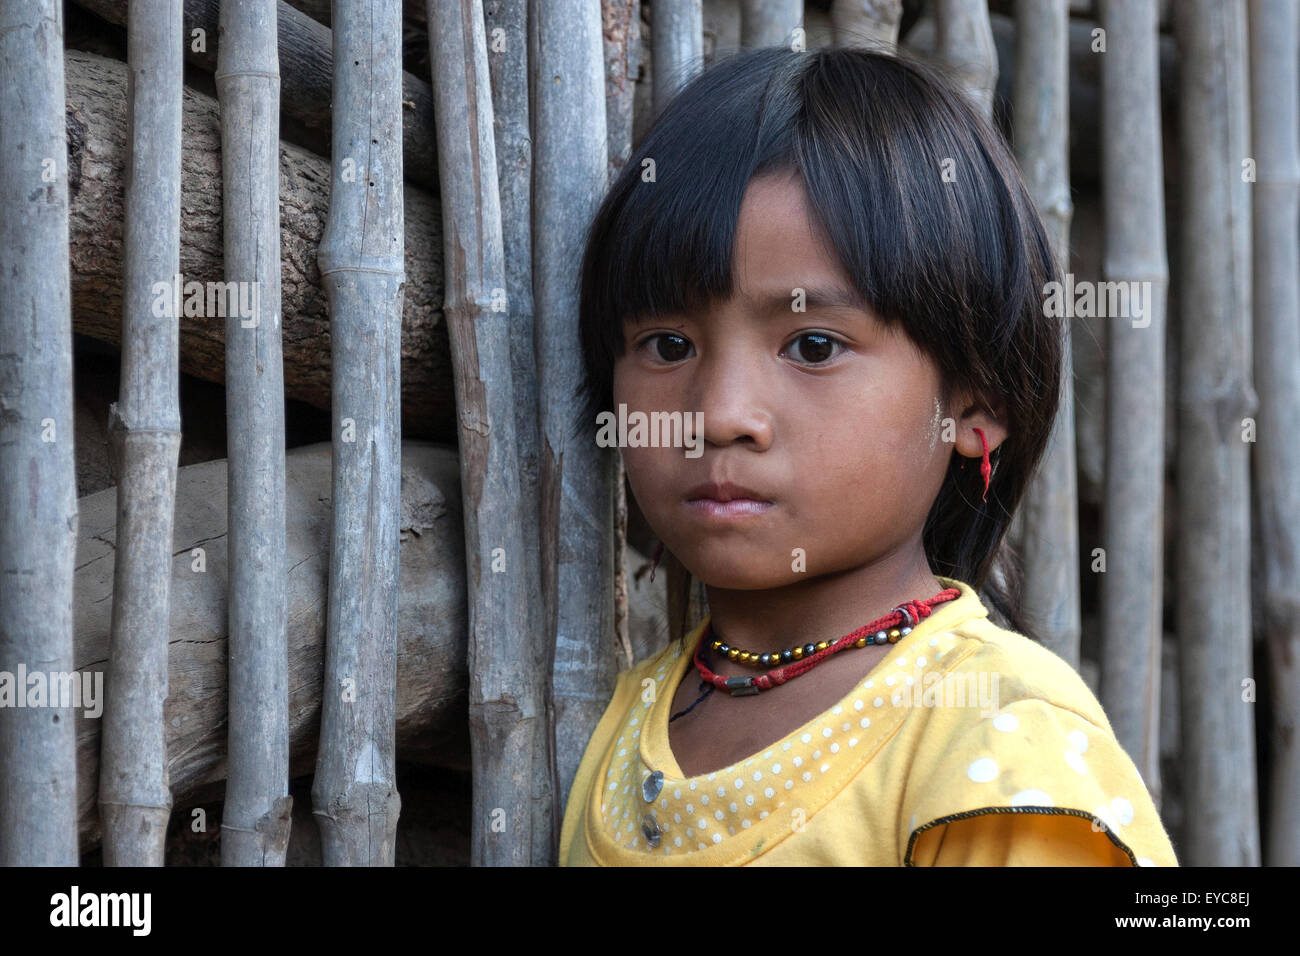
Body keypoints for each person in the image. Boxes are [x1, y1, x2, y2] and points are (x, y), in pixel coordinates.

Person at [559, 44, 1178, 866]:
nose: (720, 414)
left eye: (814, 345)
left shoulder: (996, 738)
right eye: (667, 344)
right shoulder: (633, 719)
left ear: (978, 406)